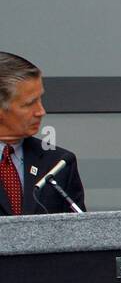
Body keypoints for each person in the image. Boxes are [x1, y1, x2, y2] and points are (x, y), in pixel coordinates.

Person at [0, 51, 85, 216]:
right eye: (30, 103)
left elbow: (80, 235)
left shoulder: (59, 163)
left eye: (40, 99)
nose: (41, 111)